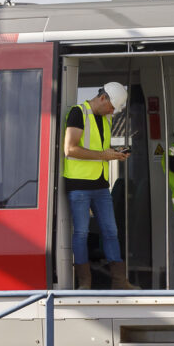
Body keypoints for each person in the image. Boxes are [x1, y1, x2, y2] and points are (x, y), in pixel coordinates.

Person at [63, 82, 131, 289]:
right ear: (103, 98)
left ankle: (120, 281)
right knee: (81, 233)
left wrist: (114, 153)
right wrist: (104, 155)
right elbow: (70, 149)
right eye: (111, 108)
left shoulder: (106, 118)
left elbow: (99, 148)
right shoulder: (78, 113)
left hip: (100, 184)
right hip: (79, 185)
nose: (112, 112)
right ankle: (85, 282)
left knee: (111, 231)